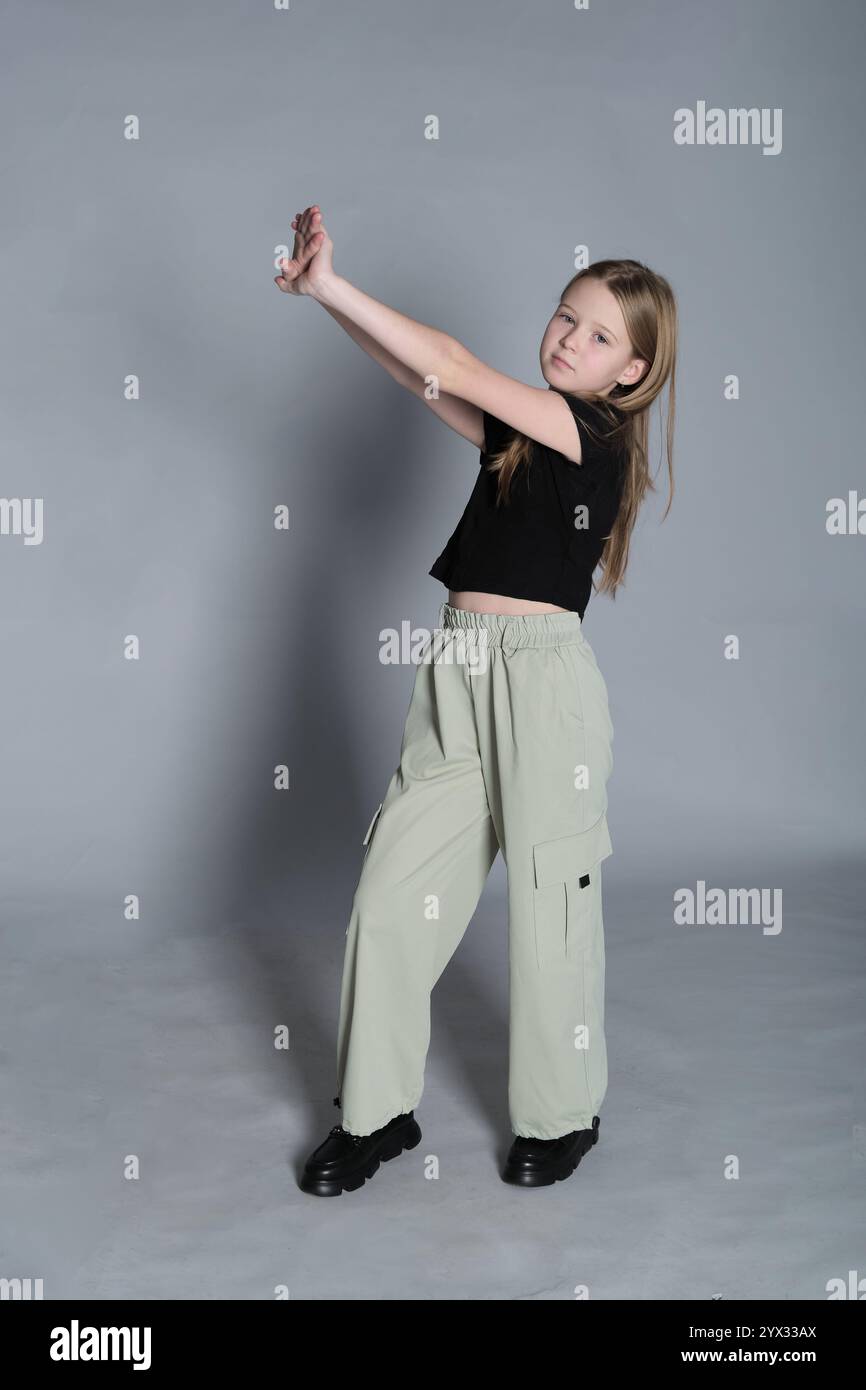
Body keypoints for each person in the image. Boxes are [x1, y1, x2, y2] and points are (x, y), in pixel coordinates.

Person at [275, 208, 677, 1194]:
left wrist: (338, 285)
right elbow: (421, 375)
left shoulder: (590, 433)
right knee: (387, 896)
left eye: (594, 334)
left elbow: (450, 358)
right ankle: (374, 1117)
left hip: (541, 687)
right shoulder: (521, 431)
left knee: (549, 911)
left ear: (629, 372)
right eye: (562, 315)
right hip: (457, 667)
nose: (565, 338)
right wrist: (325, 294)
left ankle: (560, 1114)